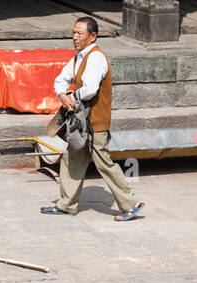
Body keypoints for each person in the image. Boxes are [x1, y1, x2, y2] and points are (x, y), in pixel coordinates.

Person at [41, 17, 144, 222]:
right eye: (73, 33)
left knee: (103, 162)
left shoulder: (96, 58)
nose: (75, 37)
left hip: (96, 121)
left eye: (79, 33)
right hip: (81, 123)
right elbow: (61, 79)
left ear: (93, 36)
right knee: (72, 159)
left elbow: (90, 89)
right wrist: (62, 94)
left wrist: (71, 96)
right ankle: (66, 204)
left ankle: (131, 204)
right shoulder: (79, 57)